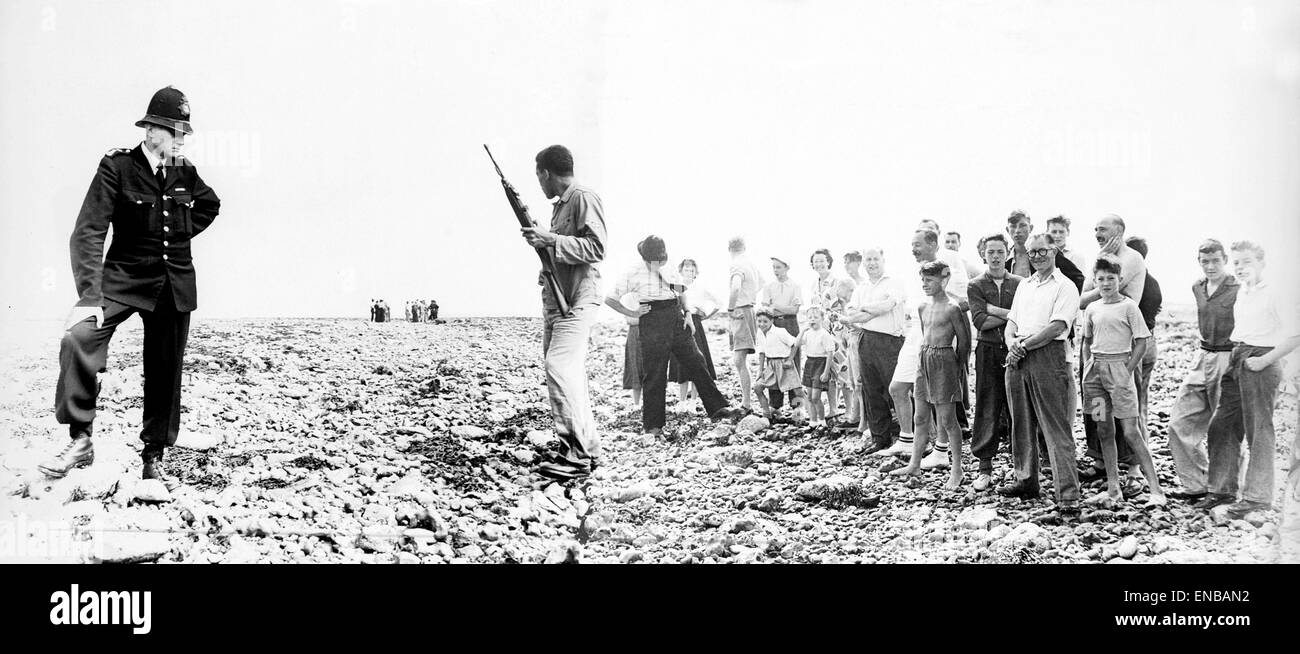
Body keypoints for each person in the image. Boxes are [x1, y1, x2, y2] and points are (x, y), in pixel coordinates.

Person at [40, 86, 220, 489]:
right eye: (176, 132)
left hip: (173, 283)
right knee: (79, 337)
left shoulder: (184, 170)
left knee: (165, 370)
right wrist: (89, 296)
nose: (182, 140)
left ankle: (153, 456)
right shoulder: (117, 166)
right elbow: (88, 232)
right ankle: (81, 439)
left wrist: (181, 234)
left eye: (184, 133)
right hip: (122, 278)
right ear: (152, 131)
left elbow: (210, 205)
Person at [519, 145, 607, 481]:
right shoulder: (560, 206)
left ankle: (575, 456)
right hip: (558, 299)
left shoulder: (583, 198)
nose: (539, 184)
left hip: (579, 298)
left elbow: (597, 248)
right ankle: (590, 449)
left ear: (545, 173)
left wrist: (551, 239)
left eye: (538, 176)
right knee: (571, 374)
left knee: (559, 366)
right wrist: (546, 242)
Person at [606, 236, 742, 436]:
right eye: (655, 260)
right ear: (645, 257)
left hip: (676, 316)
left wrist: (687, 314)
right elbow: (610, 299)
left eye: (661, 259)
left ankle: (717, 409)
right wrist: (633, 313)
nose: (659, 263)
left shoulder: (669, 267)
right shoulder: (632, 272)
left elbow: (680, 291)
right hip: (652, 320)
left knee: (696, 361)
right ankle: (653, 425)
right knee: (655, 372)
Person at [1205, 241, 1300, 516]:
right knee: (1222, 424)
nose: (1240, 267)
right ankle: (1222, 491)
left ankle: (1257, 498)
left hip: (1261, 358)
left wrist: (1265, 361)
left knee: (1259, 429)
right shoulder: (1243, 292)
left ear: (1261, 263)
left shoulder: (1274, 292)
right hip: (1238, 356)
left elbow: (1295, 334)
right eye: (1236, 262)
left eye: (1246, 261)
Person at [998, 233, 1082, 514]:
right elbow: (1012, 322)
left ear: (1054, 251)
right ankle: (1026, 481)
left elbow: (1058, 327)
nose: (1037, 257)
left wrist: (1023, 346)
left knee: (1055, 425)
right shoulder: (1025, 285)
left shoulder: (1066, 286)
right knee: (1020, 422)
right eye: (1032, 252)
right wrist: (1012, 343)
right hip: (1017, 355)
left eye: (1042, 251)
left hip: (1047, 355)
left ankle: (1068, 494)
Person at [1079, 254, 1166, 508]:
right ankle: (1113, 487)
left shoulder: (1128, 307)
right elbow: (1086, 340)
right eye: (1101, 279)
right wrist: (1087, 365)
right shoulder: (1093, 308)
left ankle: (1156, 490)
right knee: (1103, 429)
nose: (1106, 283)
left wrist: (1127, 370)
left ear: (1120, 279)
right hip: (1095, 376)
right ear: (1095, 281)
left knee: (1130, 431)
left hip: (1120, 370)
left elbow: (1141, 341)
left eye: (1111, 278)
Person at [1166, 240, 1242, 502]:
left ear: (1225, 260)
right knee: (1179, 423)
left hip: (1229, 356)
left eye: (1216, 261)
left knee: (1225, 426)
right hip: (1202, 355)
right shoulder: (1197, 286)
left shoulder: (1238, 288)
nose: (1210, 266)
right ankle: (1198, 484)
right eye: (1205, 261)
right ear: (1198, 262)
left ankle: (1226, 489)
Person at [1077, 215, 1147, 488]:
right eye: (1095, 229)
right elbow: (1083, 299)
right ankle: (1101, 462)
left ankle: (1134, 467)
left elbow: (1101, 292)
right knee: (1098, 411)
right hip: (1097, 352)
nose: (1097, 234)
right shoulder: (1102, 258)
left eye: (1103, 229)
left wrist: (1126, 369)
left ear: (1119, 231)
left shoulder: (1131, 258)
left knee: (1128, 413)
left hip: (1122, 349)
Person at [890, 262, 970, 490]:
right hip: (924, 359)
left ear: (943, 280)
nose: (925, 284)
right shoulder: (923, 307)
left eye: (930, 280)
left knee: (948, 419)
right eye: (923, 280)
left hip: (944, 361)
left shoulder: (952, 308)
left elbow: (964, 342)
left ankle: (957, 470)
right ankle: (914, 464)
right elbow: (926, 335)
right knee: (920, 416)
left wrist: (956, 369)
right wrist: (925, 359)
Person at [967, 233, 1022, 491]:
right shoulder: (976, 285)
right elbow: (980, 321)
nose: (996, 257)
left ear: (1007, 253)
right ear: (983, 254)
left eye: (1000, 251)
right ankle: (984, 468)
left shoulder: (1020, 283)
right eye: (991, 252)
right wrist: (1012, 315)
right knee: (987, 405)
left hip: (1015, 350)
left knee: (1018, 407)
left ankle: (1022, 466)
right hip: (988, 350)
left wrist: (993, 310)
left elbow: (1026, 317)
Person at [842, 247, 906, 454]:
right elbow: (851, 314)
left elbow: (887, 306)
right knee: (871, 391)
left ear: (883, 259)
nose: (871, 263)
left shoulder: (894, 282)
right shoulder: (861, 287)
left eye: (875, 259)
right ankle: (880, 438)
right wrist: (871, 311)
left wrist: (865, 310)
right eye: (868, 260)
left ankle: (908, 437)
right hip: (866, 339)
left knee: (896, 390)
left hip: (890, 342)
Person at [668, 258, 719, 407]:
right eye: (686, 269)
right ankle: (682, 402)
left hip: (695, 324)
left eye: (692, 270)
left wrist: (705, 315)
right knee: (681, 364)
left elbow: (718, 303)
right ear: (681, 271)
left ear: (696, 272)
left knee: (697, 363)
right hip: (679, 324)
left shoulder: (700, 288)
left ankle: (693, 402)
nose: (689, 272)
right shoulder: (676, 287)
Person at [760, 256, 802, 411]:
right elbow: (766, 311)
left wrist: (776, 306)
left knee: (793, 362)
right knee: (773, 361)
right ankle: (775, 405)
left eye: (778, 267)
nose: (775, 270)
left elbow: (794, 310)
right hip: (774, 324)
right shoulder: (769, 286)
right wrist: (780, 309)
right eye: (774, 267)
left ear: (786, 268)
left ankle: (797, 407)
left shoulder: (795, 286)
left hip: (790, 323)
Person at [728, 237, 764, 412]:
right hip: (749, 308)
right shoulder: (750, 263)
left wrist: (730, 308)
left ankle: (746, 403)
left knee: (739, 359)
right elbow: (762, 282)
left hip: (741, 310)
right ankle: (746, 401)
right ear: (744, 247)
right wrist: (750, 295)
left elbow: (735, 287)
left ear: (730, 249)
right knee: (740, 359)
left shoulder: (737, 264)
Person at [1006, 212, 1085, 292]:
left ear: (1031, 228)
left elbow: (1077, 278)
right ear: (1007, 230)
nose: (1017, 230)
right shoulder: (1004, 256)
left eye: (1022, 225)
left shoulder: (1048, 251)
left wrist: (1063, 297)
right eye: (1013, 226)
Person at [753, 309, 805, 420]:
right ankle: (767, 412)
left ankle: (803, 411)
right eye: (759, 321)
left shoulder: (780, 332)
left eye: (765, 321)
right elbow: (762, 352)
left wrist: (790, 360)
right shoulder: (759, 333)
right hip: (771, 365)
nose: (762, 324)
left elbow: (795, 344)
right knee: (757, 387)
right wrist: (760, 370)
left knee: (797, 390)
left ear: (772, 321)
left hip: (784, 363)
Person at [799, 306, 838, 426]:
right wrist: (802, 331)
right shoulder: (807, 333)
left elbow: (830, 353)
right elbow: (797, 343)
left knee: (816, 397)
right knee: (810, 396)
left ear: (822, 318)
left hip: (821, 363)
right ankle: (813, 421)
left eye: (815, 317)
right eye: (810, 317)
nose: (812, 319)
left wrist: (826, 372)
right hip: (809, 363)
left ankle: (822, 421)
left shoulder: (824, 334)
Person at [621, 296, 644, 408]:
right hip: (635, 332)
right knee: (635, 366)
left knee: (651, 367)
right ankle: (636, 404)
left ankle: (650, 402)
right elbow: (630, 320)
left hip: (652, 332)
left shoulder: (650, 293)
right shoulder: (629, 297)